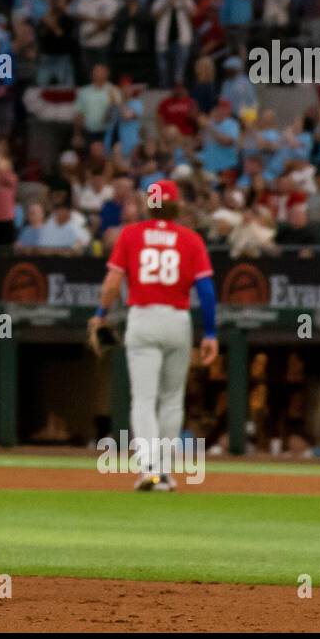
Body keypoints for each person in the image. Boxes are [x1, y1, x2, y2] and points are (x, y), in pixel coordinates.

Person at [90, 180, 219, 491]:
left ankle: (149, 469)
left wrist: (100, 315)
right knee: (172, 400)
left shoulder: (131, 234)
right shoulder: (190, 239)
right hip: (177, 320)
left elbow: (111, 285)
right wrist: (211, 332)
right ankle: (164, 472)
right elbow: (206, 290)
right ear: (176, 206)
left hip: (143, 318)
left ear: (149, 204)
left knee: (144, 399)